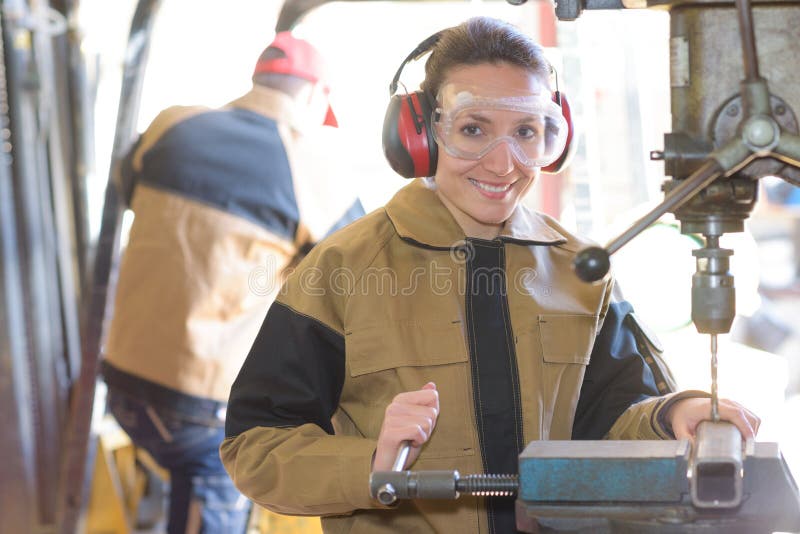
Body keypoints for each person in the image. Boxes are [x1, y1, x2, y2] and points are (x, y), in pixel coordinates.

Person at [220, 17, 760, 534]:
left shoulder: (583, 272)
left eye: (526, 132)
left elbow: (614, 421)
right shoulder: (340, 272)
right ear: (420, 133)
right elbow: (254, 448)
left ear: (554, 138)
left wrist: (672, 415)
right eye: (474, 130)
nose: (504, 164)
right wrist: (371, 463)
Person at [101, 31, 363, 534]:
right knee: (228, 476)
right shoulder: (310, 163)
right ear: (314, 96)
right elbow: (360, 273)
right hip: (197, 410)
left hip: (122, 382)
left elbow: (131, 195)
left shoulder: (170, 124)